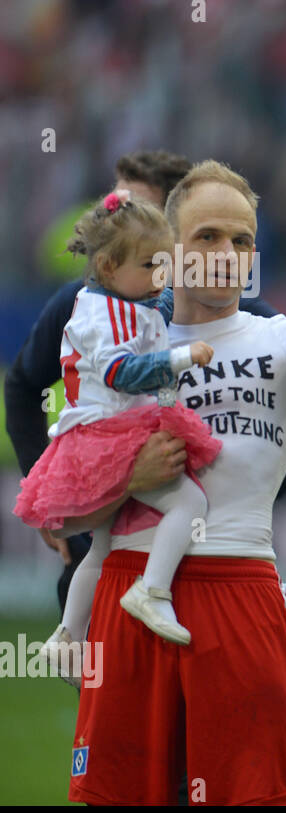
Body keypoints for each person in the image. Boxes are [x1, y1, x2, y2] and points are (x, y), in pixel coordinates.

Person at [58, 160, 286, 805]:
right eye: (208, 236)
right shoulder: (115, 347)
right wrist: (128, 477)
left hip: (239, 591)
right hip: (128, 594)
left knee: (255, 797)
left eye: (242, 241)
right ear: (170, 251)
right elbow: (60, 511)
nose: (227, 254)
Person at [3, 150, 286, 619]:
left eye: (137, 208)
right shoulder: (85, 303)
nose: (120, 218)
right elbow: (24, 385)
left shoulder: (243, 319)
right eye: (116, 201)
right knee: (98, 680)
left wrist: (252, 481)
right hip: (100, 546)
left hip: (195, 558)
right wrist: (58, 483)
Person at [16, 190, 222, 681]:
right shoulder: (99, 318)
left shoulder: (125, 298)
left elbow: (160, 308)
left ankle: (67, 635)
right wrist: (179, 358)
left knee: (103, 547)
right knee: (189, 504)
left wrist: (186, 282)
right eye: (152, 265)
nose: (161, 277)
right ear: (108, 266)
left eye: (165, 265)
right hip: (110, 437)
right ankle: (153, 591)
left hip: (104, 435)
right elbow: (121, 373)